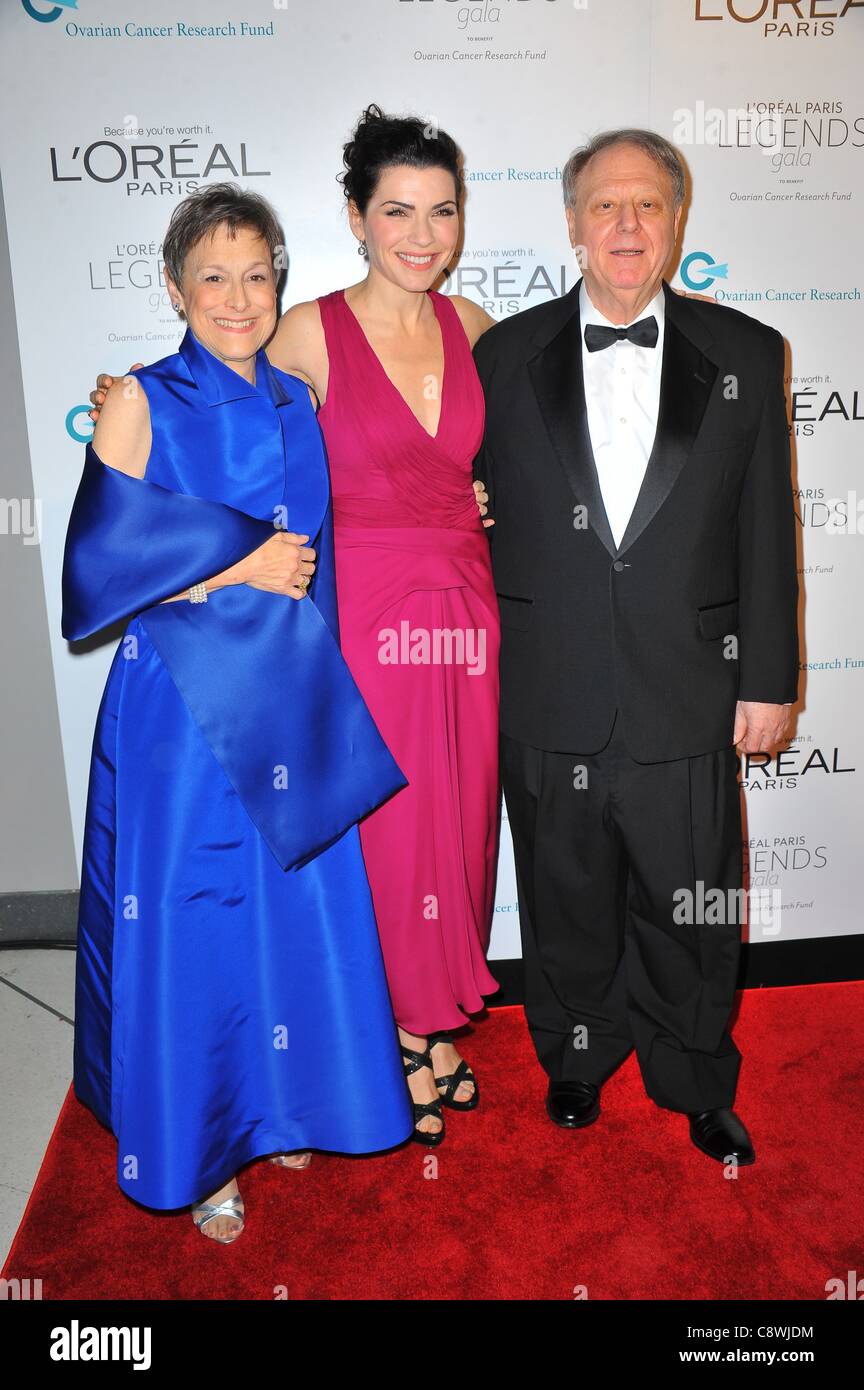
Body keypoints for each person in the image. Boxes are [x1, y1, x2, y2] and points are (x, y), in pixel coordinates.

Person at [91, 106, 502, 1145]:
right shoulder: (308, 333)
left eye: (441, 210)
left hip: (466, 610)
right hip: (360, 615)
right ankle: (390, 1034)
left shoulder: (476, 327)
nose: (421, 232)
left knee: (458, 825)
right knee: (387, 829)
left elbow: (524, 450)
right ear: (356, 219)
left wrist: (493, 498)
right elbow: (208, 395)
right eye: (397, 210)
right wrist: (118, 404)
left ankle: (431, 1019)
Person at [63, 182, 413, 1243]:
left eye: (257, 274)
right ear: (175, 287)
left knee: (288, 913)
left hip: (288, 696)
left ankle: (284, 1105)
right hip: (181, 709)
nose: (237, 296)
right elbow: (96, 570)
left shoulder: (296, 400)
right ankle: (203, 1149)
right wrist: (235, 562)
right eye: (212, 275)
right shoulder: (139, 399)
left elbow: (332, 546)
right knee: (194, 922)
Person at [471, 129, 799, 1166]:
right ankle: (578, 1054)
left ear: (677, 219)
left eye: (647, 204)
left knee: (691, 902)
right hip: (547, 684)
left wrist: (769, 680)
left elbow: (767, 527)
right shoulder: (501, 357)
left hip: (689, 687)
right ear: (571, 222)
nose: (626, 225)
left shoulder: (747, 353)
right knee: (563, 894)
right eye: (604, 205)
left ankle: (695, 1074)